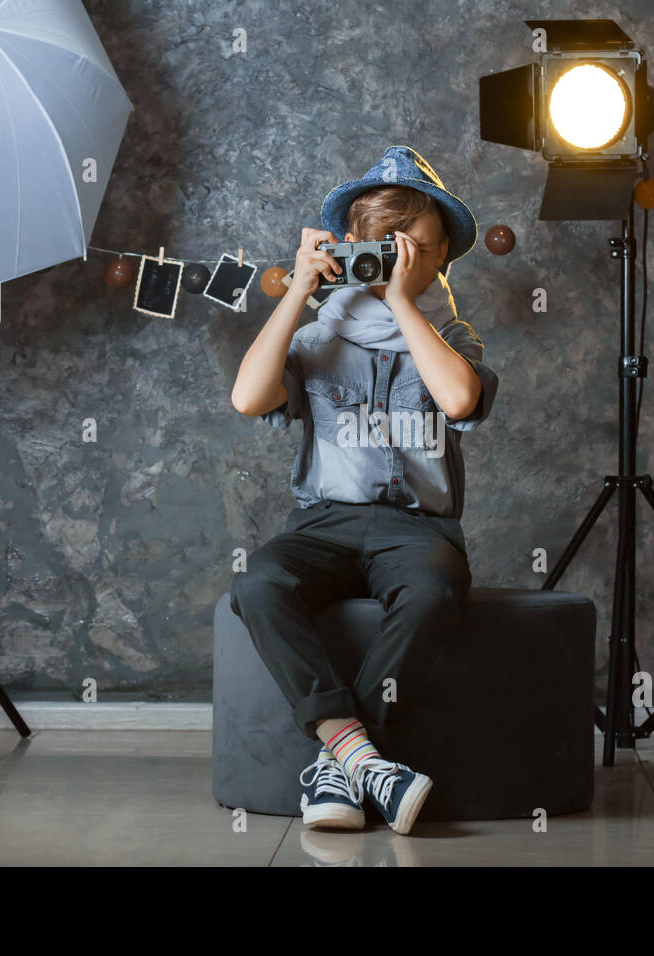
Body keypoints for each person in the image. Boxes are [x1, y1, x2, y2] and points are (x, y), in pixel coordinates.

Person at [228, 145, 498, 835]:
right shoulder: (318, 334)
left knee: (436, 588)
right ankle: (365, 758)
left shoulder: (449, 335)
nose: (406, 264)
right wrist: (298, 289)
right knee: (258, 581)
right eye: (385, 252)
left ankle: (338, 762)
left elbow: (461, 400)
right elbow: (247, 397)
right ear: (351, 248)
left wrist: (405, 304)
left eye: (422, 252)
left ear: (439, 260)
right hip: (324, 523)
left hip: (418, 531)